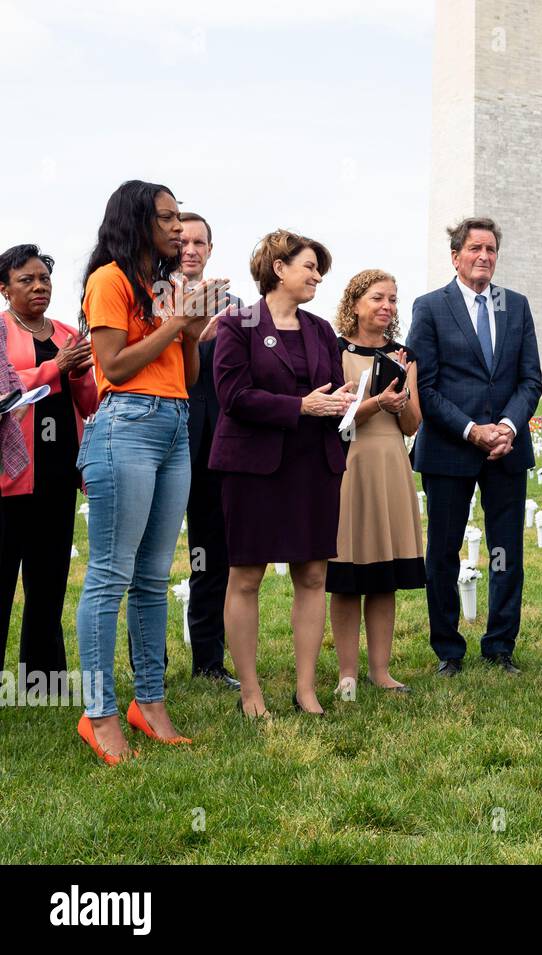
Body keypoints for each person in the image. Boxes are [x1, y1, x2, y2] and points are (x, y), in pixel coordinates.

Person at [76, 180, 226, 763]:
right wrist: (176, 321)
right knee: (110, 574)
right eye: (165, 219)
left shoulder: (161, 287)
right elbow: (111, 364)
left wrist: (189, 330)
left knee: (153, 576)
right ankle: (99, 712)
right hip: (126, 424)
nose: (176, 229)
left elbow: (187, 375)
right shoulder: (108, 280)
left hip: (173, 423)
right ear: (137, 221)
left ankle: (151, 703)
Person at [211, 230, 353, 718]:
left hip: (314, 465)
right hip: (254, 468)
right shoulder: (237, 324)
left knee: (313, 574)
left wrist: (343, 401)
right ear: (279, 268)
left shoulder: (319, 330)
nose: (316, 276)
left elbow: (326, 395)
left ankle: (306, 688)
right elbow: (233, 396)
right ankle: (251, 693)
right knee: (246, 576)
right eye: (310, 266)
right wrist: (301, 405)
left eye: (319, 270)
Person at [406, 218, 542, 677]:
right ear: (455, 256)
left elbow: (530, 379)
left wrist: (506, 426)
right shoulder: (430, 308)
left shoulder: (517, 306)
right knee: (442, 551)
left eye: (491, 249)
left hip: (506, 447)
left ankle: (501, 645)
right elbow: (425, 386)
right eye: (475, 248)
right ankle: (448, 649)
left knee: (507, 551)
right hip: (450, 448)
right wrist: (471, 430)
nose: (484, 256)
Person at [0, 245, 97, 688]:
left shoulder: (65, 333)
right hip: (10, 478)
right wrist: (51, 368)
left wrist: (77, 372)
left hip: (58, 474)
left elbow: (89, 403)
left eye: (44, 279)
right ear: (5, 289)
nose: (39, 286)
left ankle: (42, 678)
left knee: (49, 581)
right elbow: (6, 394)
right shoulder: (0, 332)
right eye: (26, 280)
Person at [327, 270, 424, 696]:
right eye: (377, 298)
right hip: (350, 464)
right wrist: (374, 403)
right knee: (348, 571)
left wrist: (400, 400)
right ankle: (347, 670)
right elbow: (334, 418)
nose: (387, 307)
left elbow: (412, 424)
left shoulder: (405, 355)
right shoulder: (334, 351)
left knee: (385, 572)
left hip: (391, 463)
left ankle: (380, 670)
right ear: (354, 304)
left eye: (393, 299)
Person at [178, 212, 242, 690]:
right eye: (182, 240)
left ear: (211, 250)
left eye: (200, 241)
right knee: (147, 562)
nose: (191, 249)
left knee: (209, 556)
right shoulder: (148, 297)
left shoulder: (237, 307)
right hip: (165, 437)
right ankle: (149, 669)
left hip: (216, 444)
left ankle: (208, 661)